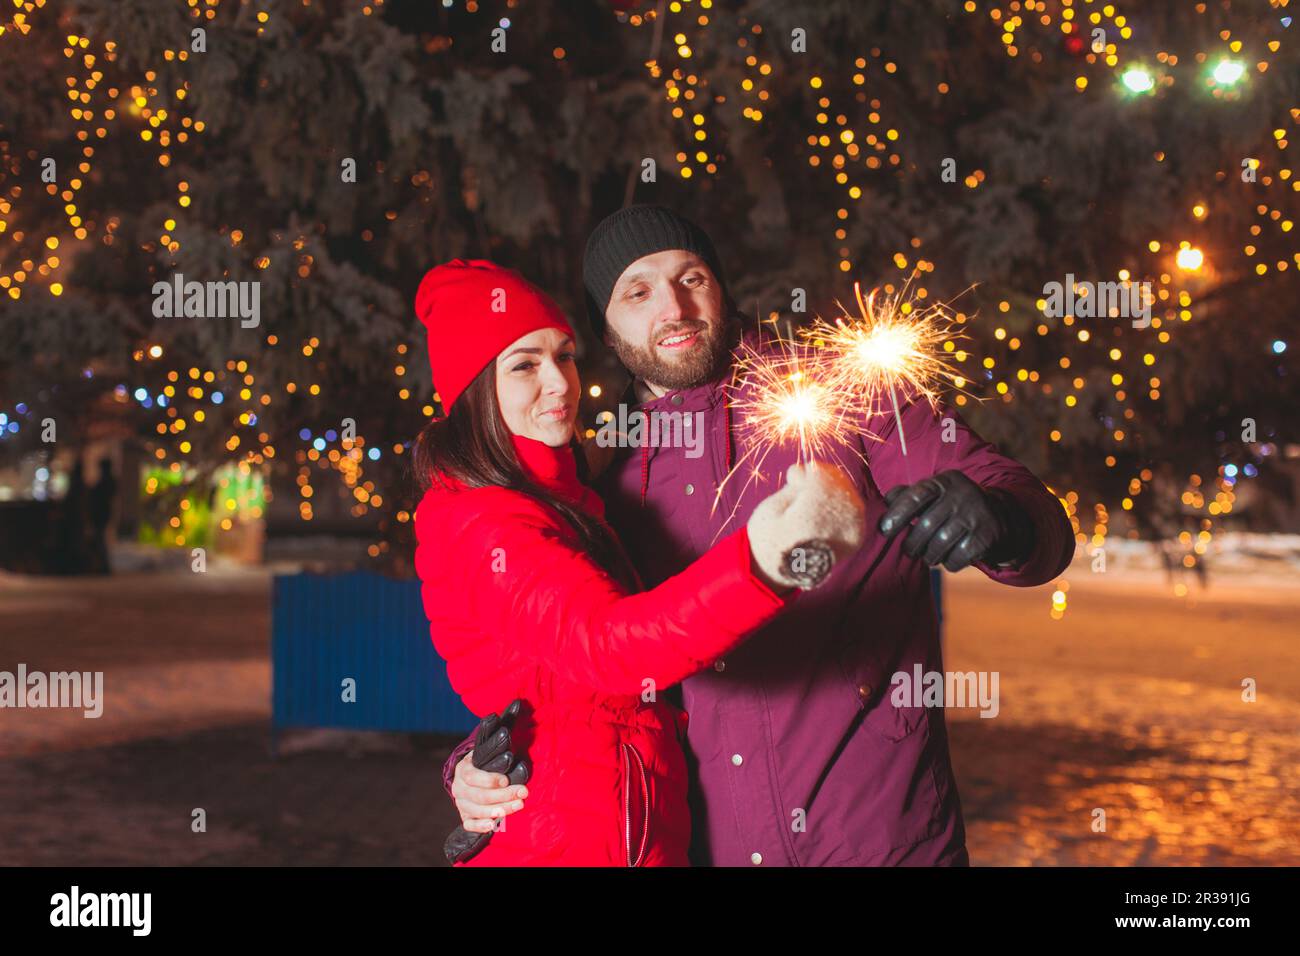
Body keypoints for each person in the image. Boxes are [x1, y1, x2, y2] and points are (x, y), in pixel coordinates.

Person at [446, 206, 1076, 867]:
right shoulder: (601, 478)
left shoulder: (840, 396)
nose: (675, 307)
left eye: (691, 277)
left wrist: (1004, 520)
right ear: (605, 329)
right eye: (638, 291)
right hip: (713, 851)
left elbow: (1031, 518)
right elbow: (574, 666)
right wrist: (475, 766)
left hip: (883, 846)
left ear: (720, 287)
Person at [411, 258, 867, 866]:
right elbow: (606, 645)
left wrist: (468, 763)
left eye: (564, 356)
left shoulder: (569, 498)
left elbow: (544, 685)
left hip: (623, 827)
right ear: (473, 393)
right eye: (524, 365)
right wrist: (765, 561)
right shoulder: (485, 520)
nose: (559, 383)